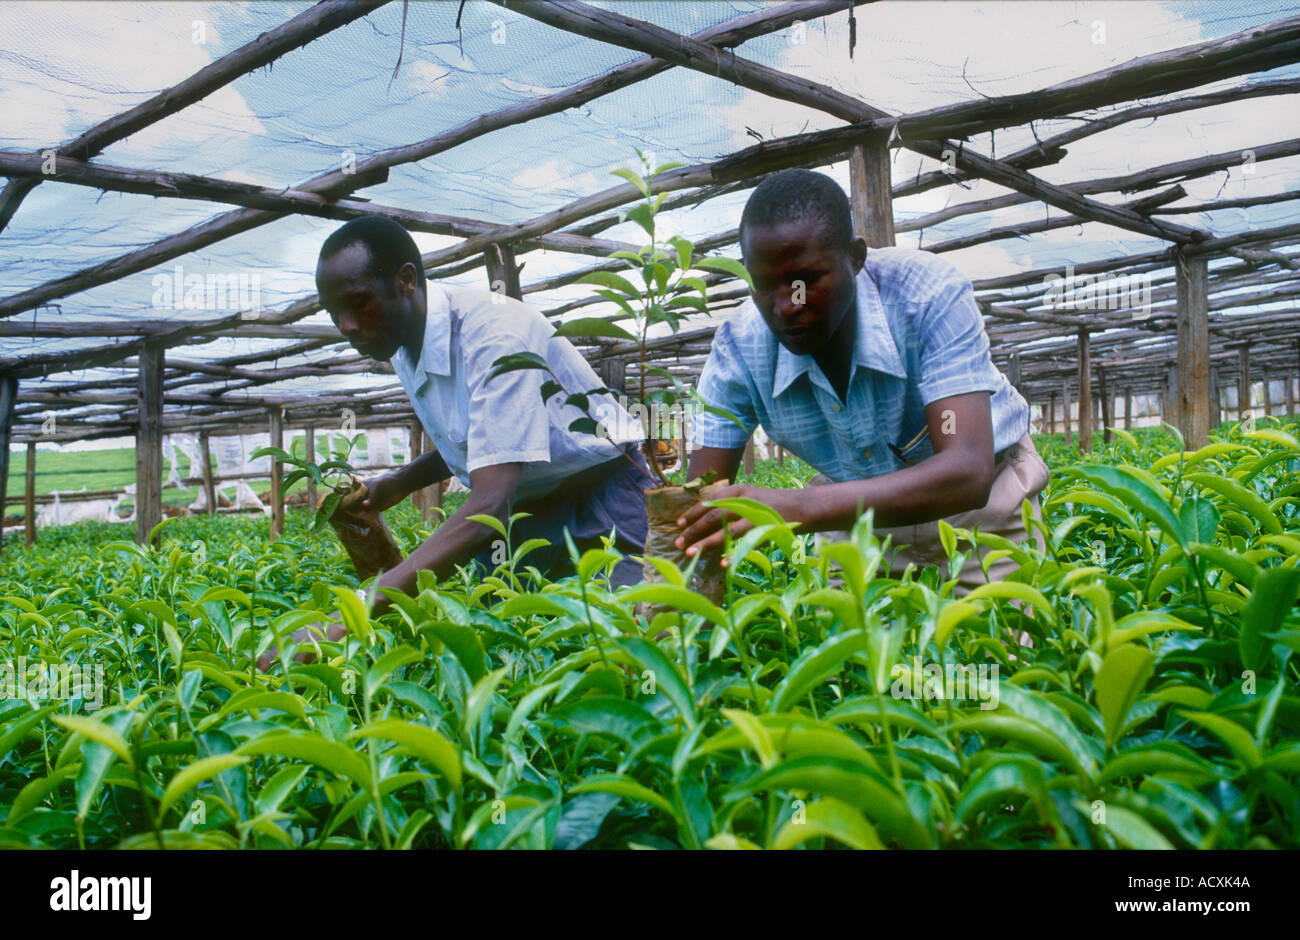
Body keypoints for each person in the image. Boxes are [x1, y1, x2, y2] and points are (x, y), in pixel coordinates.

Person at [263, 214, 651, 666]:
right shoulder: (401, 339)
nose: (346, 325)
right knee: (506, 660)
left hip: (598, 499)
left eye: (358, 302)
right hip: (520, 516)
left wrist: (348, 614)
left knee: (629, 650)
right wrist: (401, 481)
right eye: (334, 314)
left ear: (406, 280)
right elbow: (480, 435)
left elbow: (488, 505)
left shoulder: (493, 333)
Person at [675, 169, 1048, 591]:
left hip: (981, 517)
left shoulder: (926, 295)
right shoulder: (738, 352)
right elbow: (695, 509)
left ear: (854, 258)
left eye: (805, 281)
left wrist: (798, 506)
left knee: (999, 653)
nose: (787, 306)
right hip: (852, 522)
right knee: (854, 656)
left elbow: (967, 471)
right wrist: (667, 632)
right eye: (764, 285)